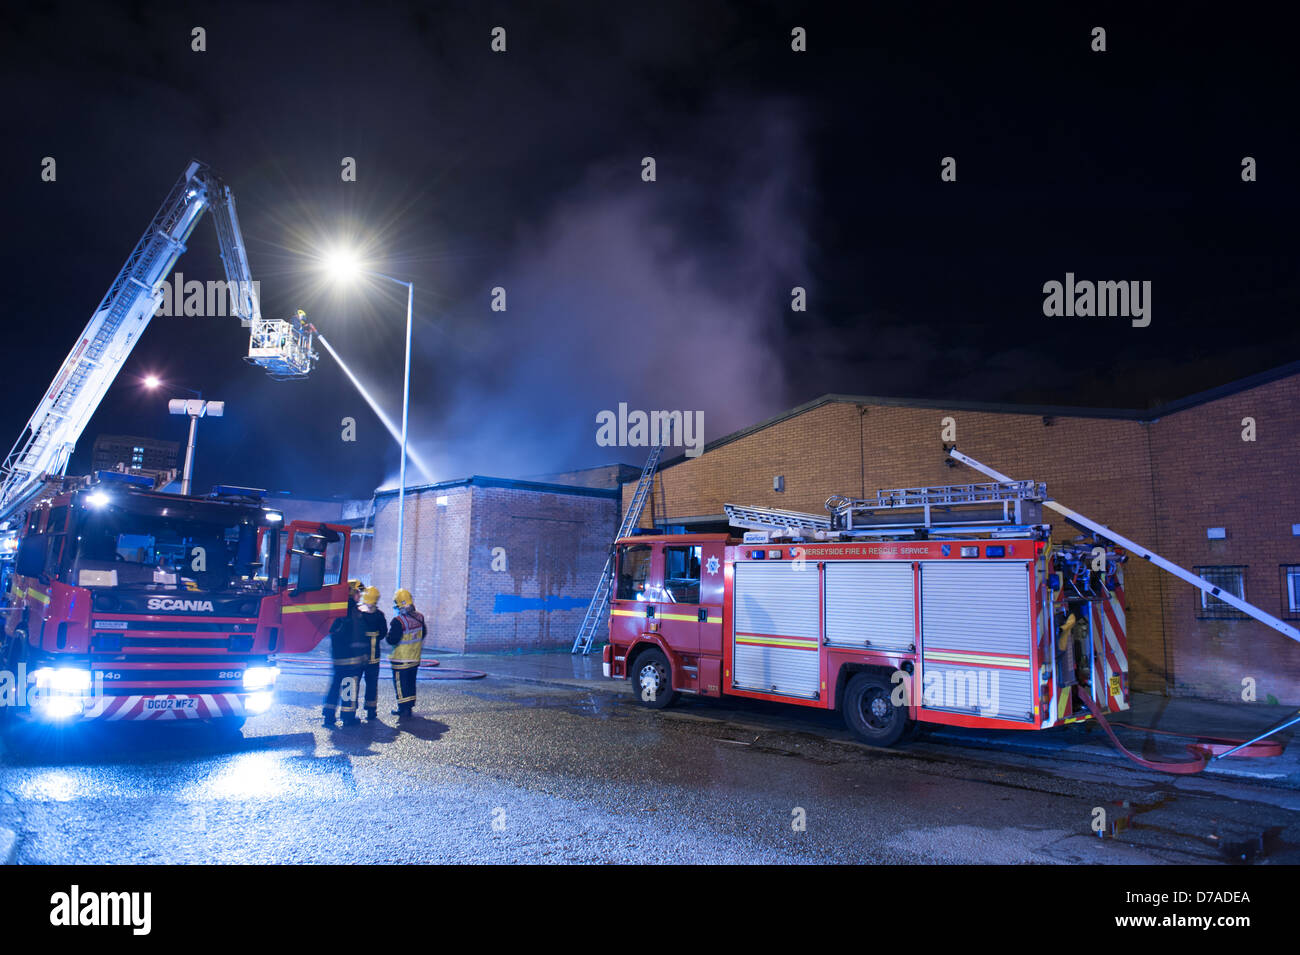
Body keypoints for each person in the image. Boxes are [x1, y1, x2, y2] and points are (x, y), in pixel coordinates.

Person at [322, 580, 367, 727]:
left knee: (335, 685)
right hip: (351, 658)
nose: (359, 595)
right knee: (349, 686)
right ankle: (347, 717)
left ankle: (329, 715)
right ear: (352, 593)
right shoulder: (353, 612)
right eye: (357, 592)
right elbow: (356, 635)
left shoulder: (340, 610)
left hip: (340, 657)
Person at [385, 588, 426, 718]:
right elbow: (423, 633)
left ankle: (403, 709)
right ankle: (409, 707)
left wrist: (388, 636)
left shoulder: (398, 621)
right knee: (410, 683)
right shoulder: (420, 617)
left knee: (401, 685)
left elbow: (392, 639)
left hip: (401, 660)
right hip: (414, 658)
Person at [355, 585, 388, 722]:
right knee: (372, 684)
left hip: (357, 656)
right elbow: (383, 633)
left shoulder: (358, 613)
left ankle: (351, 710)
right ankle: (371, 710)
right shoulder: (379, 615)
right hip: (374, 657)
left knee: (354, 682)